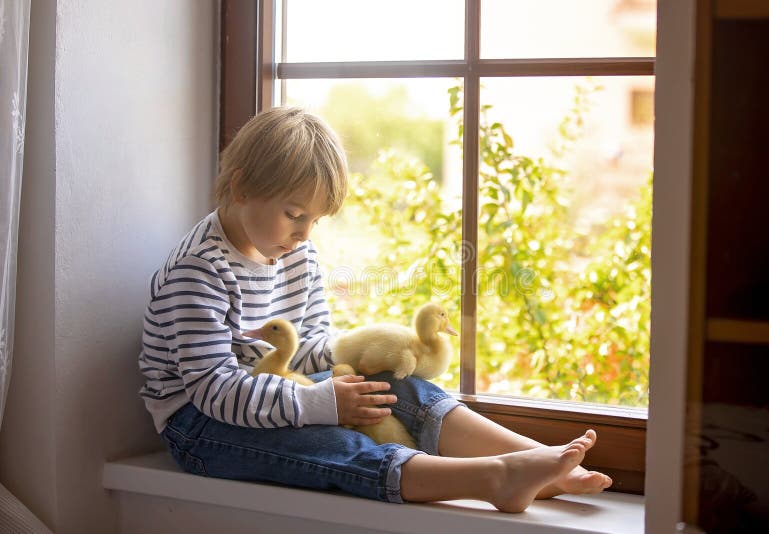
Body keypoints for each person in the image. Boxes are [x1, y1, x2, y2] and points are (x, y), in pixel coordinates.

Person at [138, 106, 612, 513]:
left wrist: (359, 367)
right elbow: (212, 390)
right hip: (203, 426)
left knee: (397, 386)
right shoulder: (200, 270)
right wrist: (319, 402)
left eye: (315, 220)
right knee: (337, 446)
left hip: (280, 390)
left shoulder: (295, 253)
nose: (305, 233)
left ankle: (544, 462)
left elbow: (309, 347)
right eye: (295, 214)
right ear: (241, 189)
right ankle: (493, 479)